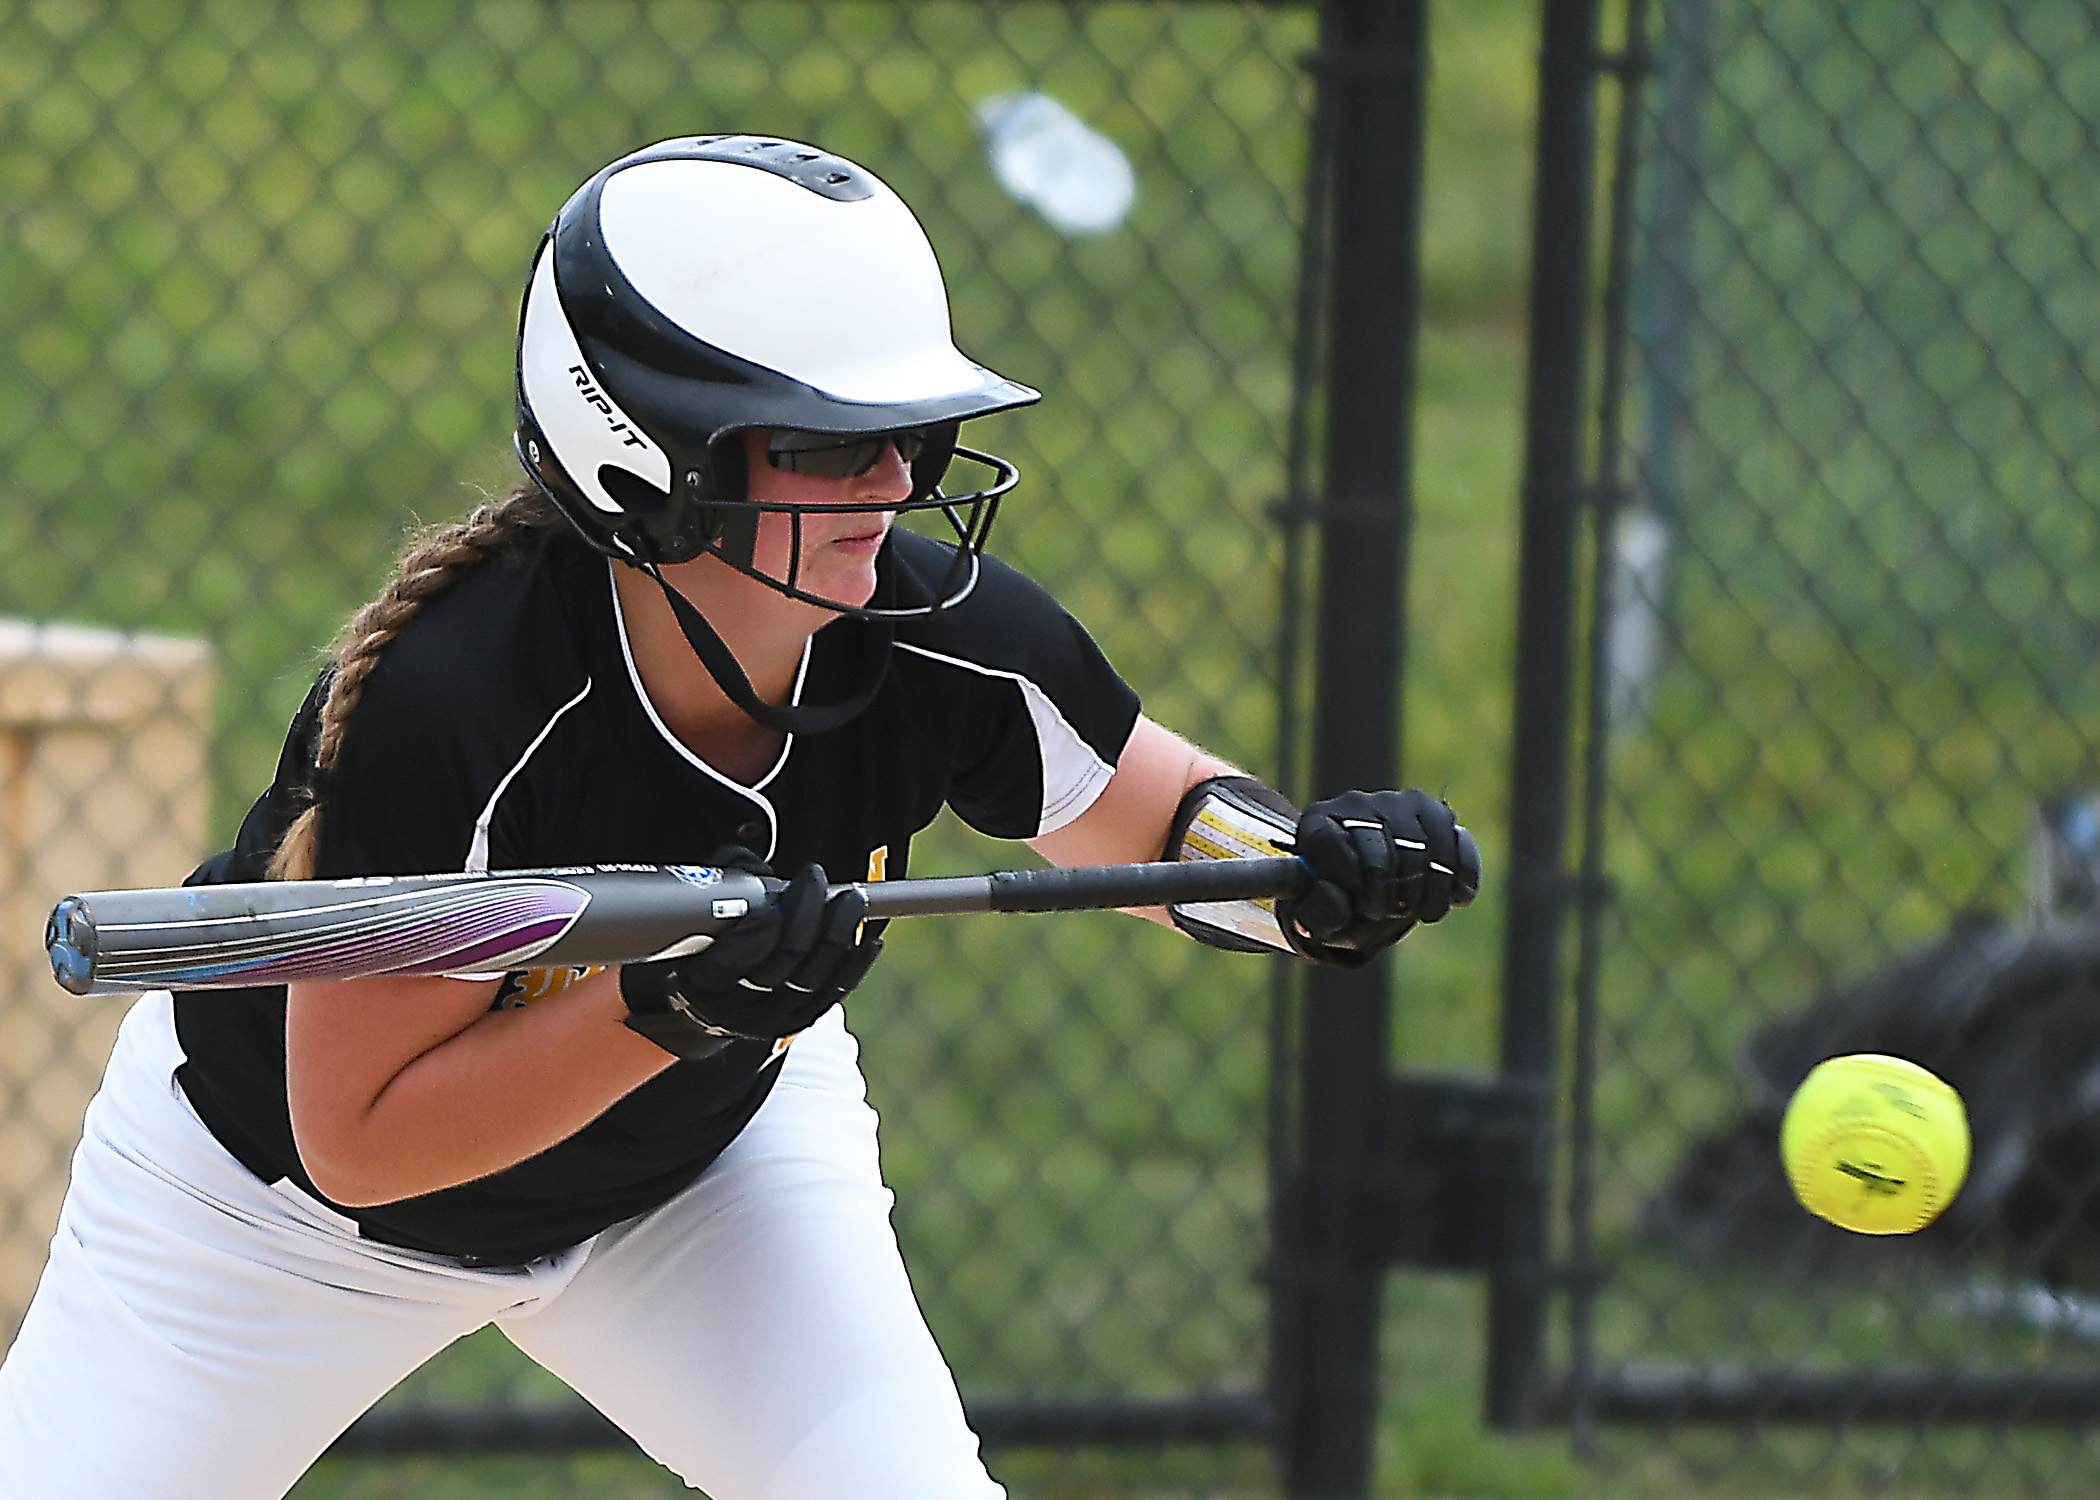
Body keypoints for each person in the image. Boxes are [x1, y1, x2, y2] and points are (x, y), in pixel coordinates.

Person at [0, 135, 1474, 1499]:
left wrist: (1299, 875)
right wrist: (663, 1009)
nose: (894, 485)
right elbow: (366, 1141)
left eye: (914, 438)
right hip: (280, 1227)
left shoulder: (941, 635)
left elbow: (1155, 830)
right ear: (648, 459)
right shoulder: (462, 705)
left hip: (699, 1177)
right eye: (830, 445)